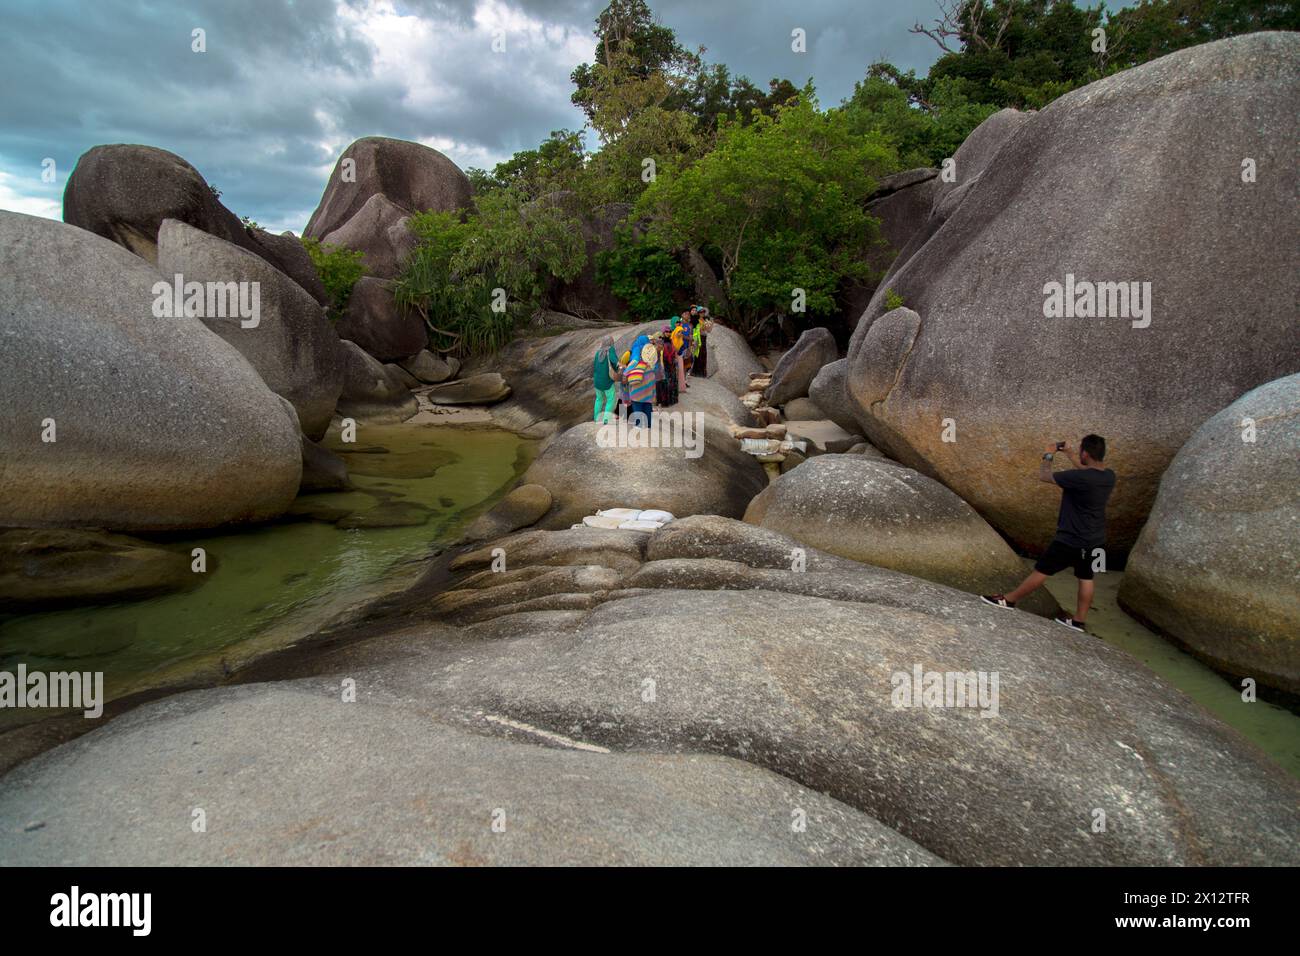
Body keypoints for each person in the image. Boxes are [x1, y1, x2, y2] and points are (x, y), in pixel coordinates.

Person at [982, 434, 1117, 632]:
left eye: (1080, 451)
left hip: (1070, 538)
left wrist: (1048, 454)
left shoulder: (1078, 477)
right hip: (1094, 539)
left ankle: (1009, 600)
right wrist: (1071, 454)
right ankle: (1078, 621)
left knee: (1042, 570)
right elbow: (1088, 472)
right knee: (1086, 577)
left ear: (1086, 453)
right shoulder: (1108, 476)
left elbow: (1044, 476)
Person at [623, 334, 659, 429]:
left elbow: (631, 366)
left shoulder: (636, 351)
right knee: (647, 403)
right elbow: (657, 367)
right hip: (650, 380)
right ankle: (648, 425)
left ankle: (638, 425)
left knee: (637, 402)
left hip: (639, 381)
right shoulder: (652, 352)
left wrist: (625, 372)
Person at [592, 335, 619, 424]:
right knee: (611, 399)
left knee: (599, 399)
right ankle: (606, 420)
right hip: (606, 381)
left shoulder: (598, 352)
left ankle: (596, 418)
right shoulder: (610, 350)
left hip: (597, 381)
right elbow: (615, 362)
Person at [656, 326, 679, 408]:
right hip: (663, 365)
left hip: (671, 365)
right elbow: (657, 354)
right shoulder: (660, 342)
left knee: (672, 382)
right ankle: (664, 401)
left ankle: (671, 400)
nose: (668, 333)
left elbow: (675, 352)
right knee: (665, 382)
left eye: (669, 332)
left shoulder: (671, 341)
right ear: (663, 332)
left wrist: (676, 360)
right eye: (666, 331)